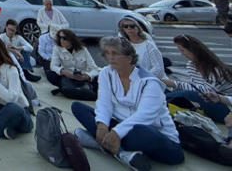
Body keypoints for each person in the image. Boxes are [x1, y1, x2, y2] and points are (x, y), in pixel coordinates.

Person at [71, 36, 184, 169]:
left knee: (142, 131)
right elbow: (104, 103)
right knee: (78, 107)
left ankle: (99, 142)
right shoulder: (106, 73)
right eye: (107, 53)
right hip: (123, 127)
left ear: (129, 58)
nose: (110, 57)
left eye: (115, 53)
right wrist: (102, 126)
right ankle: (122, 153)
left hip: (155, 136)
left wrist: (116, 133)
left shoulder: (150, 82)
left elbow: (145, 116)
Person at [163, 34, 232, 123]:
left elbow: (206, 91)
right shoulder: (191, 65)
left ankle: (162, 100)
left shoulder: (215, 69)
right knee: (173, 92)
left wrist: (174, 84)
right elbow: (195, 86)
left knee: (187, 94)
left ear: (192, 50)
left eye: (183, 50)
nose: (182, 54)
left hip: (225, 106)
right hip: (210, 101)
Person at [46, 29, 99, 98]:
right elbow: (53, 66)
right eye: (60, 37)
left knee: (98, 79)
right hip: (67, 76)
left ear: (71, 39)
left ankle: (70, 91)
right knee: (50, 74)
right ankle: (71, 90)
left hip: (82, 77)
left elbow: (95, 68)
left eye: (64, 38)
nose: (61, 40)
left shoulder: (83, 50)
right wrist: (63, 71)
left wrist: (87, 76)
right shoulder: (57, 49)